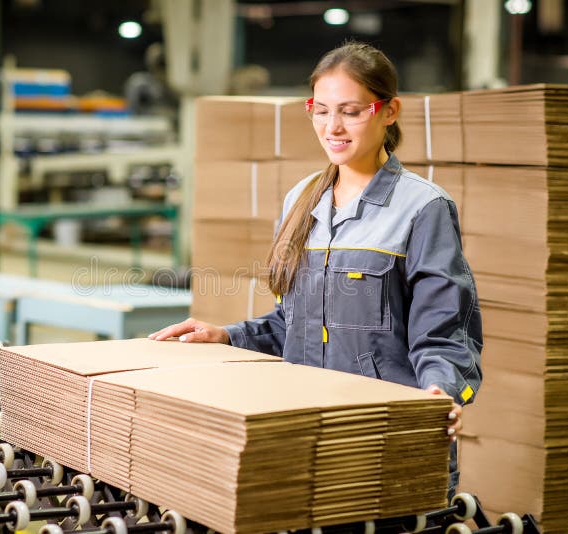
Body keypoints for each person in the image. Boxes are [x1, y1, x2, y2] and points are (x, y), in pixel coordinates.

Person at [149, 41, 482, 498]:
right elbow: (296, 323)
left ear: (389, 111)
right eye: (320, 110)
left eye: (350, 111)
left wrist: (443, 393)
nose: (333, 127)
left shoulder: (422, 208)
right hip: (306, 425)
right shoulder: (302, 200)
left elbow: (446, 332)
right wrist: (226, 336)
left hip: (385, 434)